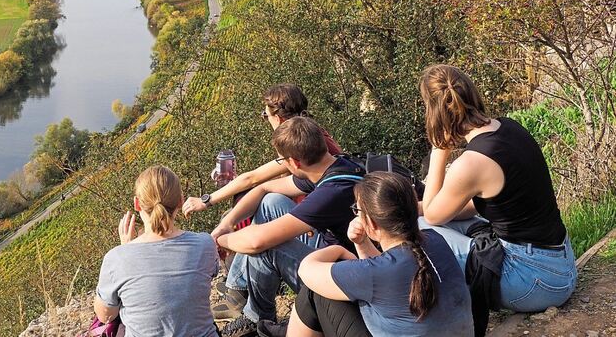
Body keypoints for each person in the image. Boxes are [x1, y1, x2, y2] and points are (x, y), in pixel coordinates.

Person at [418, 65, 576, 315]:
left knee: (417, 229)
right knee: (435, 221)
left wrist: (439, 149)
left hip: (534, 281)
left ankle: (440, 314)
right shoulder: (509, 127)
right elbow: (484, 206)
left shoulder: (471, 163)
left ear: (434, 112)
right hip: (562, 266)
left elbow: (432, 215)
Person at [182, 84, 342, 319]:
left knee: (265, 235)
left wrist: (209, 207)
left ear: (277, 117)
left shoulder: (298, 148)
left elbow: (253, 178)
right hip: (317, 222)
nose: (265, 119)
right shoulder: (312, 134)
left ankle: (247, 303)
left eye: (265, 114)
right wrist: (228, 220)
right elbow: (262, 184)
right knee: (268, 200)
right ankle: (238, 287)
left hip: (320, 237)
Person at [215, 117, 361, 337]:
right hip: (341, 254)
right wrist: (227, 224)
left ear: (293, 162)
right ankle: (242, 291)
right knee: (272, 202)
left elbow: (257, 242)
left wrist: (219, 240)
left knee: (266, 247)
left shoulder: (332, 191)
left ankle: (257, 318)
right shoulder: (333, 166)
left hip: (348, 284)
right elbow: (263, 188)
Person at [289, 172, 473, 337]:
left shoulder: (375, 273)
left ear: (371, 222)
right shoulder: (435, 240)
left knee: (314, 294)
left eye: (358, 210)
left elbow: (305, 270)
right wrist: (361, 243)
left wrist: (338, 250)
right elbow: (386, 275)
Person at [94, 165, 219, 337]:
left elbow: (105, 315)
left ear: (137, 204)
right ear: (181, 201)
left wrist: (125, 250)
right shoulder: (205, 244)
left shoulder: (116, 258)